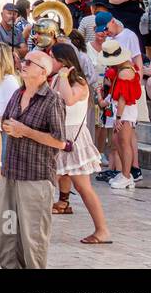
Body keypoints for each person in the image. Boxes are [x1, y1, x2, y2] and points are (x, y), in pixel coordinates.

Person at [0, 49, 66, 269]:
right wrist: (6, 126)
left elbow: (59, 141)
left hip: (35, 178)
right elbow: (7, 121)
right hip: (11, 174)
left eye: (30, 62)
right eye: (24, 61)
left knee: (32, 238)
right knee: (7, 233)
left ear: (43, 72)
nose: (23, 64)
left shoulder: (52, 100)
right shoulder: (18, 93)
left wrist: (25, 131)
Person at [47, 44, 110, 243]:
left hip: (73, 137)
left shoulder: (80, 83)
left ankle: (102, 230)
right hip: (58, 135)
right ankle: (61, 205)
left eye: (53, 58)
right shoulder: (56, 78)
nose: (50, 61)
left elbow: (69, 100)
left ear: (63, 61)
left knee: (83, 188)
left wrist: (65, 77)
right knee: (49, 181)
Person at [99, 39, 141, 190]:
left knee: (123, 142)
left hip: (125, 110)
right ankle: (125, 173)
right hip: (122, 109)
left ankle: (127, 175)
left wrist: (118, 118)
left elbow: (123, 98)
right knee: (117, 141)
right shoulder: (123, 68)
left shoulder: (125, 72)